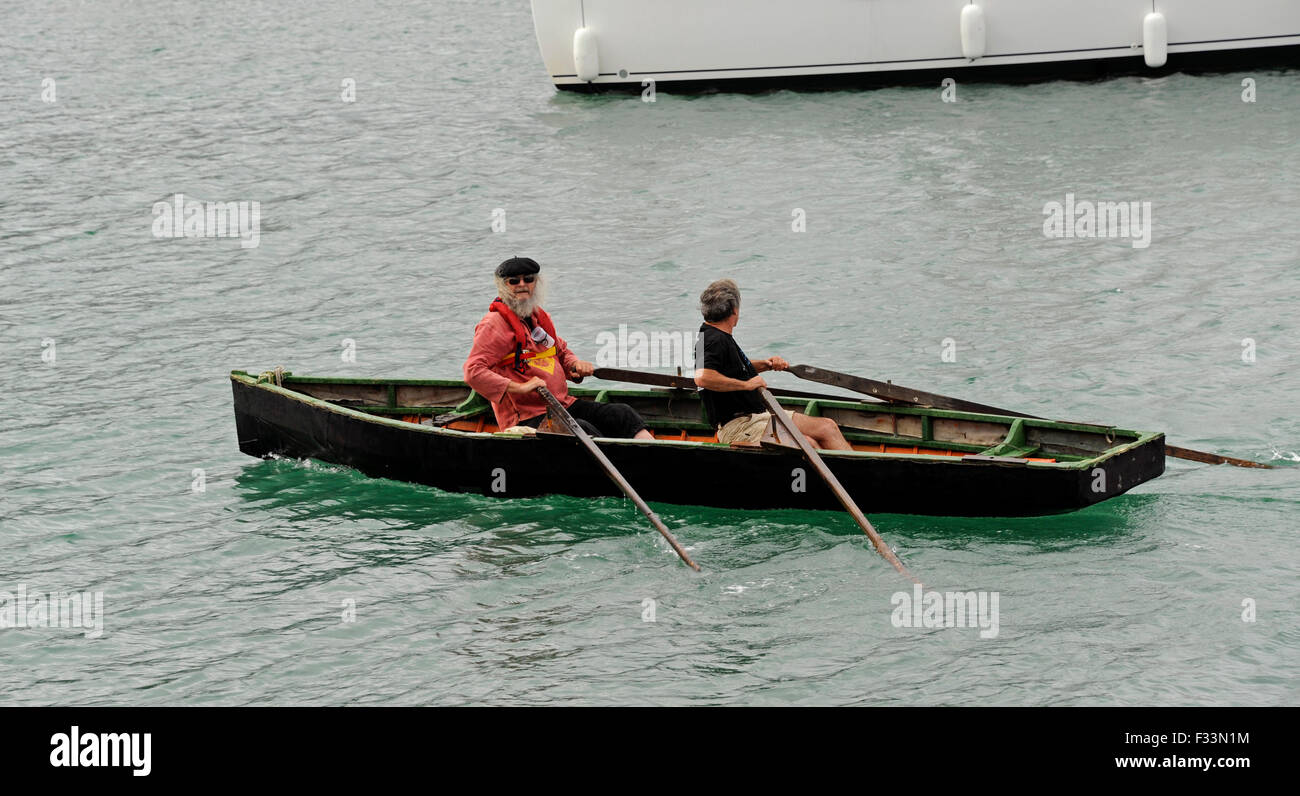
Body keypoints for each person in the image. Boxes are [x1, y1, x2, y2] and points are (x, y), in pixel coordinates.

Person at [463, 257, 654, 440]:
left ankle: (650, 453)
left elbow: (560, 352)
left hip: (562, 404)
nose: (522, 284)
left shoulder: (537, 316)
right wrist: (521, 388)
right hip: (527, 417)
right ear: (503, 286)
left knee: (621, 414)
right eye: (514, 281)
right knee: (581, 429)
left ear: (536, 283)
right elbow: (473, 372)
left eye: (528, 279)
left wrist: (575, 365)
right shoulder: (493, 325)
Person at [693, 278, 851, 450]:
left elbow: (735, 368)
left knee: (827, 427)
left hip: (757, 418)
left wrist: (766, 364)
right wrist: (747, 384)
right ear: (734, 310)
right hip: (739, 427)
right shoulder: (712, 340)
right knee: (809, 443)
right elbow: (703, 378)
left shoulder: (716, 336)